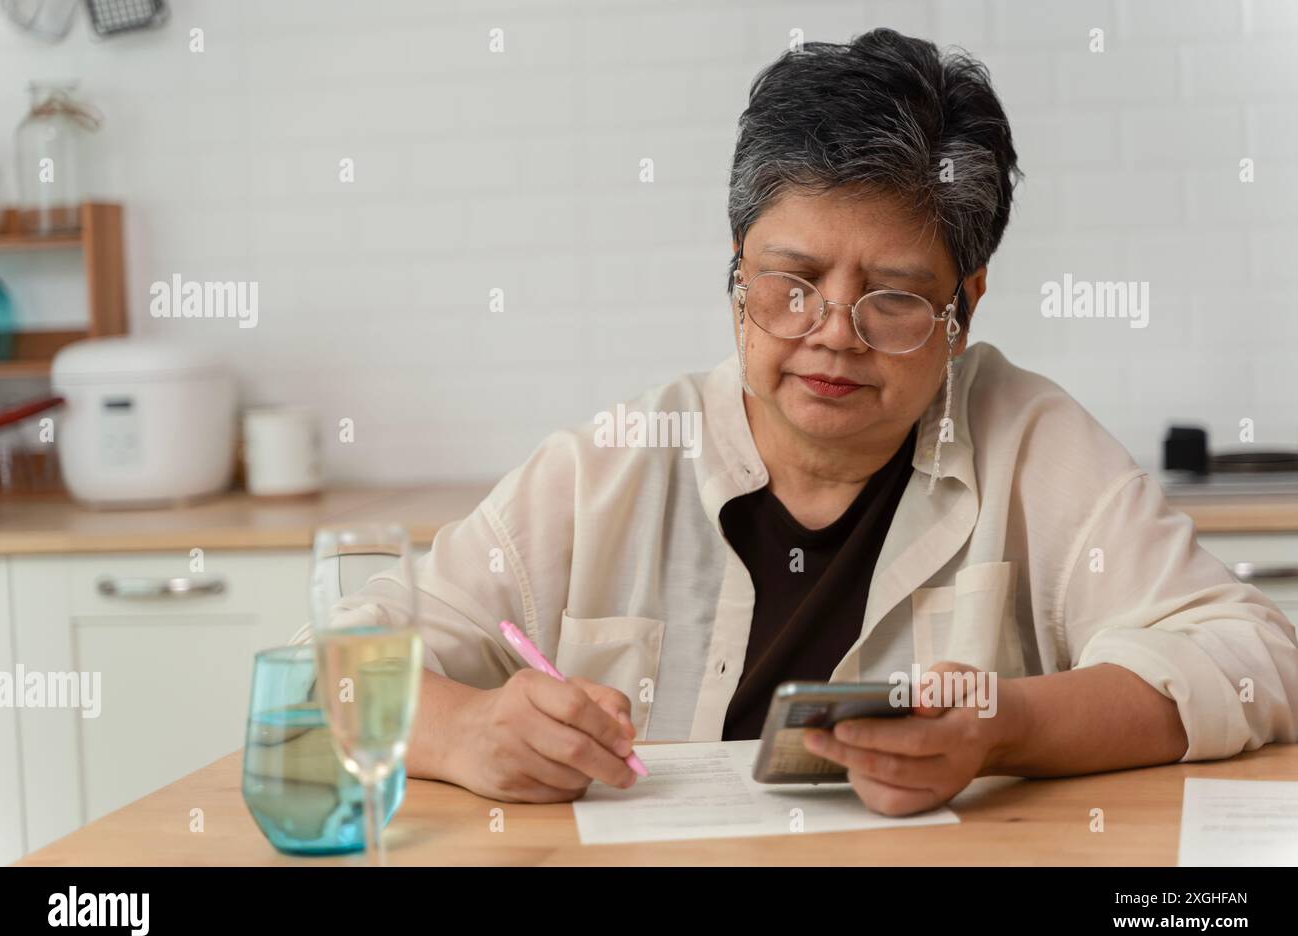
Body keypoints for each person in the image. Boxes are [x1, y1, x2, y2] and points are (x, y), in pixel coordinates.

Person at [298, 29, 1298, 815]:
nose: (832, 336)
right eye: (792, 283)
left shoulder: (1026, 438)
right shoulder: (608, 467)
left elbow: (1252, 657)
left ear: (965, 307)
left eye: (893, 298)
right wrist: (465, 731)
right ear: (737, 275)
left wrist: (1003, 723)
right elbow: (327, 671)